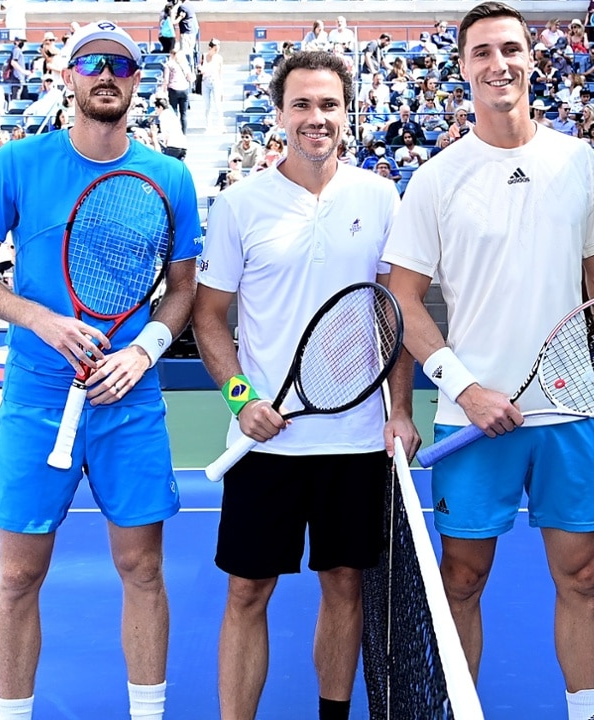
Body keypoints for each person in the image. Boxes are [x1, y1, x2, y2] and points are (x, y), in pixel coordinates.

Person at [0, 22, 203, 720]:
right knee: (18, 576)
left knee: (143, 570)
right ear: (67, 76)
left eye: (120, 64)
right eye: (90, 62)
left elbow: (181, 289)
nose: (105, 73)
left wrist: (144, 350)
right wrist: (40, 318)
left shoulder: (171, 177)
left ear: (136, 80)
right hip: (36, 398)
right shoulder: (17, 164)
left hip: (130, 400)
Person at [384, 4, 594, 719]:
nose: (500, 63)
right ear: (463, 66)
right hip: (473, 420)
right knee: (461, 579)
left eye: (512, 48)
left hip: (571, 412)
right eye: (484, 51)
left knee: (581, 576)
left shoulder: (576, 160)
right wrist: (466, 388)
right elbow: (401, 303)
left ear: (531, 58)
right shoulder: (435, 178)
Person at [192, 49, 418, 720]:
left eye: (328, 105)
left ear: (346, 114)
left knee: (345, 583)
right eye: (302, 105)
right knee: (246, 593)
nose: (315, 118)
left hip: (354, 441)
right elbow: (208, 318)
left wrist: (399, 410)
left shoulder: (380, 197)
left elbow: (395, 314)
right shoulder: (240, 205)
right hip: (266, 446)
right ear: (280, 114)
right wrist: (241, 399)